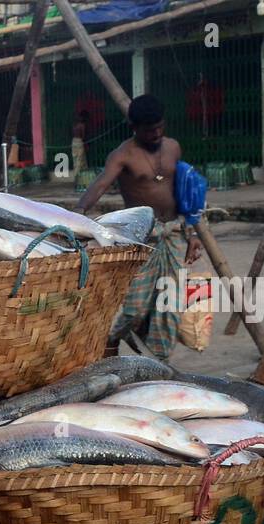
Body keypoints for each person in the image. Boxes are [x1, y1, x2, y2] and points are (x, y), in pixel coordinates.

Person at [76, 94, 204, 360]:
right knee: (133, 307)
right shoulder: (122, 155)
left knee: (168, 306)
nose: (156, 133)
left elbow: (184, 195)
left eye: (160, 127)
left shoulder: (173, 147)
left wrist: (192, 235)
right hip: (141, 239)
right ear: (133, 127)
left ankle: (158, 361)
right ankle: (109, 344)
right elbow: (99, 185)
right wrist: (75, 216)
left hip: (173, 235)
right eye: (149, 130)